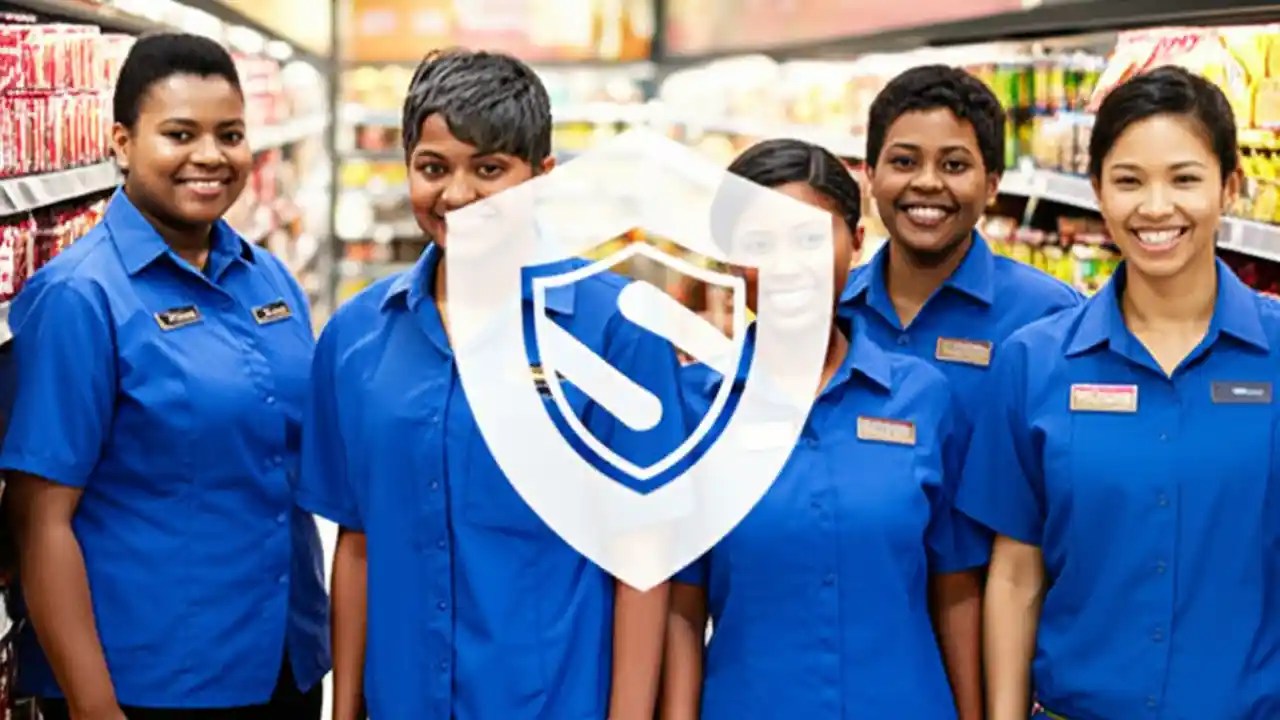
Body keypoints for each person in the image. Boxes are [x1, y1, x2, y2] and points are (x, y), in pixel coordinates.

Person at [293, 47, 685, 720]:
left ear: (542, 178)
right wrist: (345, 708)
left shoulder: (618, 333)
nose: (457, 196)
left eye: (490, 169)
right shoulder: (355, 339)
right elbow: (356, 544)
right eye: (433, 168)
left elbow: (643, 558)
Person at [0, 33, 329, 720]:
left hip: (283, 663)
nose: (210, 156)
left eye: (229, 134)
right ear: (121, 143)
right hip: (149, 682)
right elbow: (40, 522)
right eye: (180, 134)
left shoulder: (269, 279)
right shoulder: (80, 297)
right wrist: (94, 706)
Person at [956, 65, 1280, 720]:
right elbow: (1016, 576)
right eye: (1129, 180)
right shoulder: (1034, 363)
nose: (1155, 207)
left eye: (1184, 179)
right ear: (1098, 191)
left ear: (1230, 187)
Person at [661, 138, 987, 719]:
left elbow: (955, 589)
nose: (787, 265)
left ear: (856, 241)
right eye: (760, 244)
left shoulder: (923, 399)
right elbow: (682, 606)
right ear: (731, 259)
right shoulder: (694, 408)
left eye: (810, 238)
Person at [840, 64, 1083, 414]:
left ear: (992, 185)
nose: (927, 182)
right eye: (904, 161)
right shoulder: (834, 308)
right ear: (871, 176)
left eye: (954, 166)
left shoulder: (1051, 315)